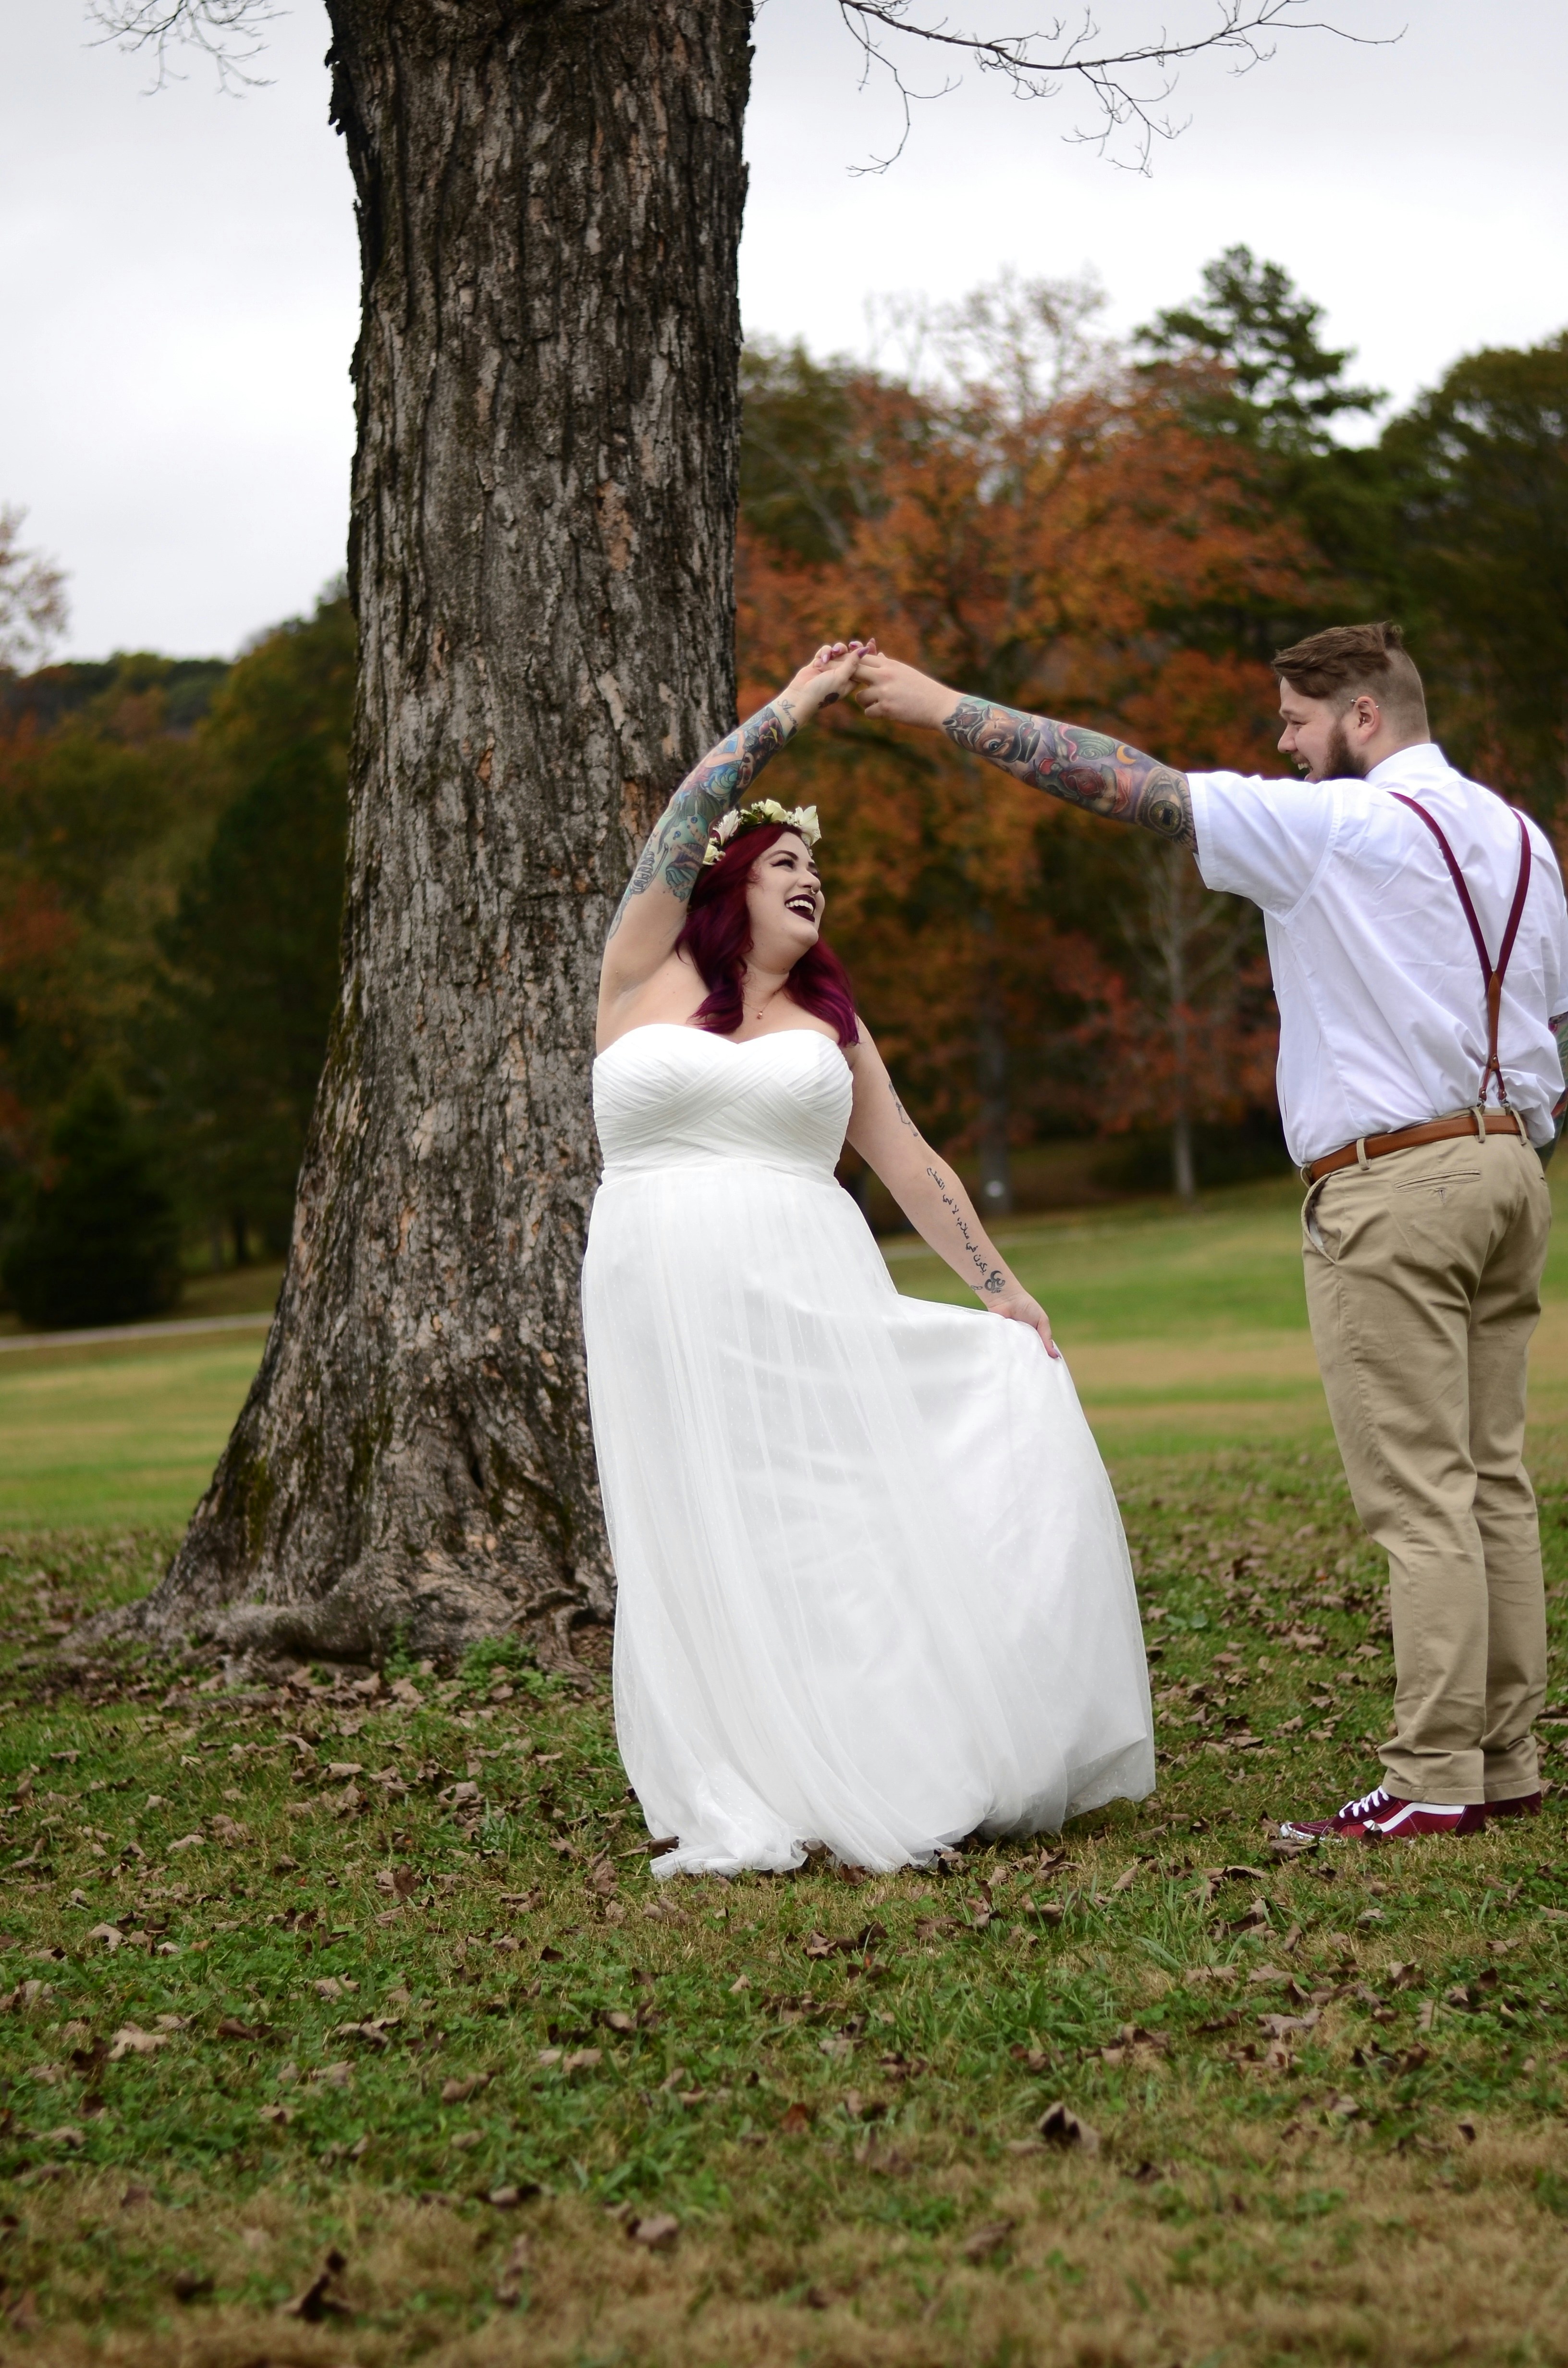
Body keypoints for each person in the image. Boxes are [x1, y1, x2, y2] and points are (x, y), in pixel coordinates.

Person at [855, 622, 1568, 1843]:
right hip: (1510, 1166)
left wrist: (936, 706)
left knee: (1421, 1495)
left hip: (1393, 1184)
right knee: (1493, 1480)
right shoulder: (1524, 840)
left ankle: (1436, 1772)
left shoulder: (1338, 827)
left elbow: (1128, 784)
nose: (1280, 746)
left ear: (1361, 717)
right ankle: (1504, 1759)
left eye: (1295, 721)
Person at [582, 640, 1153, 1876]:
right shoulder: (640, 971)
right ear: (729, 882)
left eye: (820, 873)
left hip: (806, 1290)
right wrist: (787, 711)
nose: (814, 884)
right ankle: (744, 1765)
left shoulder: (834, 1025)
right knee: (699, 1527)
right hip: (655, 1296)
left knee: (826, 1518)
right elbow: (686, 815)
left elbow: (911, 1163)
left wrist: (1007, 1292)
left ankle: (888, 1749)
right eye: (790, 864)